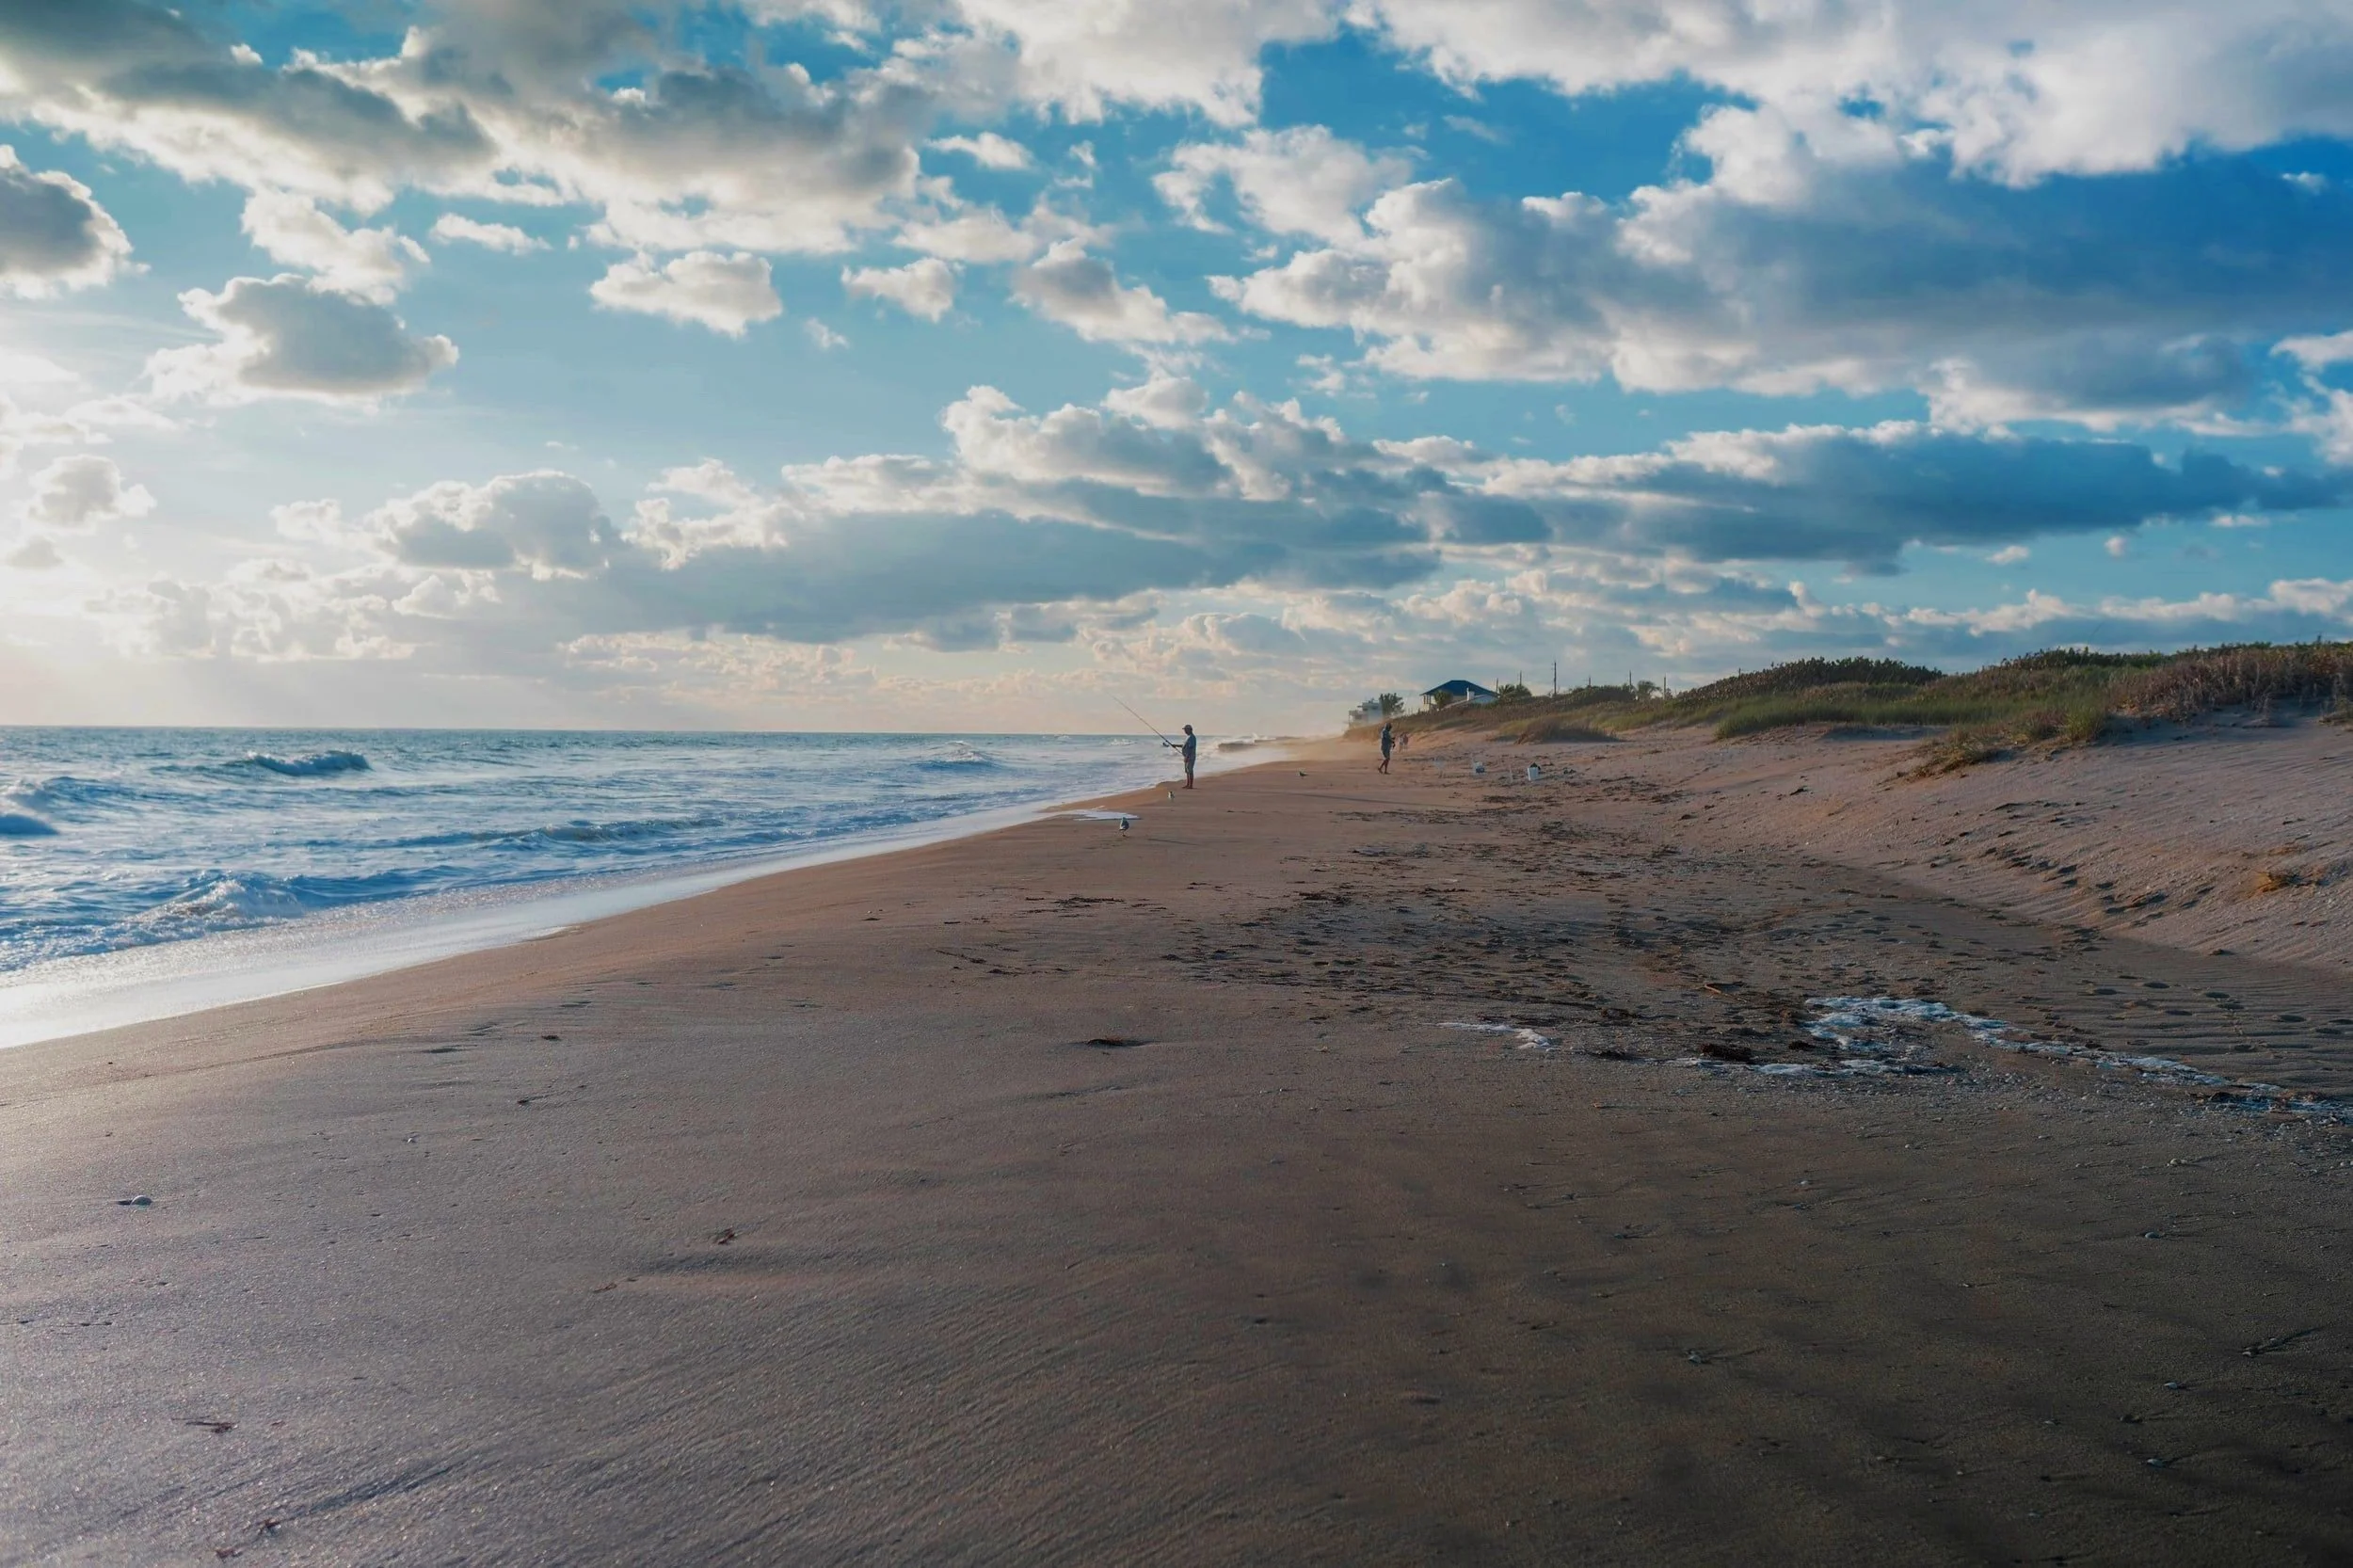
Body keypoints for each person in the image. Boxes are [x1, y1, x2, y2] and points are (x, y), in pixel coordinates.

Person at [1168, 723, 1198, 789]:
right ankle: (1188, 784)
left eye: (1186, 730)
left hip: (1190, 757)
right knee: (1187, 771)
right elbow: (1184, 746)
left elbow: (1190, 748)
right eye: (1184, 730)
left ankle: (1190, 785)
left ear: (1190, 730)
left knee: (1190, 771)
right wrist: (1175, 745)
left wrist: (1187, 757)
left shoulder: (1192, 737)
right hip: (1187, 757)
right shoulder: (1188, 737)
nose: (1184, 731)